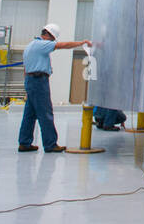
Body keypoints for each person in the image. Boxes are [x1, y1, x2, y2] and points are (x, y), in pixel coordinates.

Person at [18, 23, 91, 152]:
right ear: (48, 35)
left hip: (30, 81)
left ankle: (24, 142)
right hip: (39, 81)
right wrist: (81, 42)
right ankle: (50, 144)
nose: (53, 41)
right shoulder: (42, 45)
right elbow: (62, 45)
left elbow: (25, 68)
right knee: (45, 113)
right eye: (52, 39)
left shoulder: (30, 46)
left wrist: (28, 85)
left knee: (29, 114)